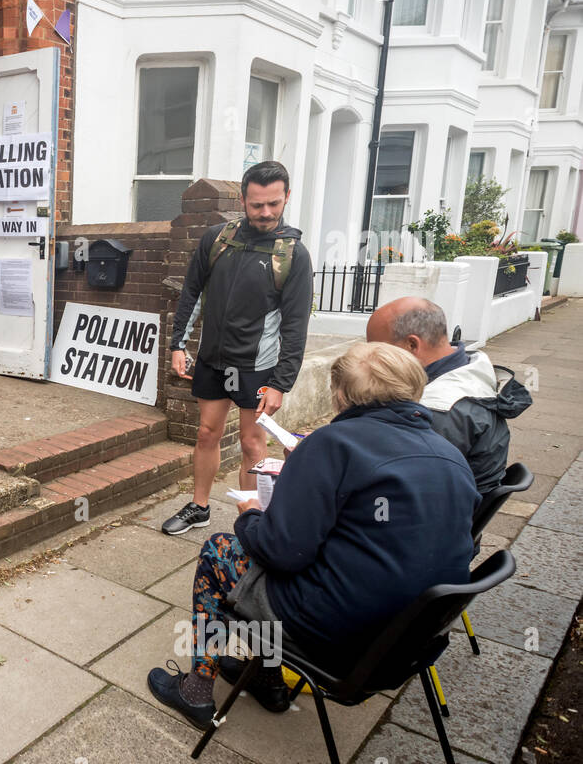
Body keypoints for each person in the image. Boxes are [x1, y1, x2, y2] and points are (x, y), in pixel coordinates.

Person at [147, 342, 479, 730]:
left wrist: (252, 515)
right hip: (405, 644)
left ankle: (197, 690)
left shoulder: (335, 443)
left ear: (340, 395)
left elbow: (282, 552)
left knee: (220, 551)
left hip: (338, 640)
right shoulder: (450, 454)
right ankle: (268, 680)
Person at [161, 160, 314, 536]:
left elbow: (295, 327)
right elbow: (191, 294)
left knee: (251, 444)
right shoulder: (217, 239)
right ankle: (200, 507)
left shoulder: (293, 255)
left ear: (286, 198)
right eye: (257, 204)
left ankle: (251, 524)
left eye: (274, 204)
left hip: (256, 367)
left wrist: (281, 383)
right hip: (212, 359)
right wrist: (177, 345)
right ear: (243, 199)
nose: (266, 213)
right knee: (206, 434)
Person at [366, 296, 532, 497]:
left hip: (432, 515)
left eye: (378, 350)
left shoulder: (438, 411)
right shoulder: (468, 364)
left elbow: (400, 485)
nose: (370, 360)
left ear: (411, 345)